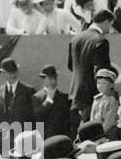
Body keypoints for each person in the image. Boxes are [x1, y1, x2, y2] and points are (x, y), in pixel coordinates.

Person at [68, 9, 114, 137]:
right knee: (91, 137)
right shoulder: (101, 41)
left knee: (76, 137)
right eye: (110, 25)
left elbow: (71, 66)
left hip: (75, 96)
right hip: (91, 97)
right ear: (105, 22)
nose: (109, 29)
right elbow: (101, 72)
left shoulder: (75, 38)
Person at [32, 65, 72, 140]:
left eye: (55, 78)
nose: (53, 81)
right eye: (50, 79)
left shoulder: (64, 97)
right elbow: (38, 116)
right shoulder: (37, 97)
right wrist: (48, 100)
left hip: (63, 138)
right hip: (47, 139)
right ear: (43, 79)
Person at [0, 59, 36, 126]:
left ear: (17, 71)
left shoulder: (29, 90)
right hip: (6, 133)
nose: (12, 74)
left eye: (14, 71)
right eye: (9, 72)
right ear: (3, 73)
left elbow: (34, 115)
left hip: (25, 132)